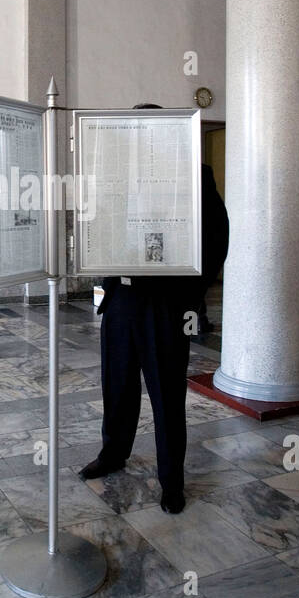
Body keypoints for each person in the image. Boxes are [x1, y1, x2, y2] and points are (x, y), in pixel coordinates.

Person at [79, 104, 198, 514]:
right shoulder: (113, 176)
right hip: (120, 299)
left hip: (164, 305)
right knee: (117, 386)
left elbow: (215, 240)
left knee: (166, 395)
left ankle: (172, 482)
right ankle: (113, 454)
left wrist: (190, 301)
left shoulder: (193, 175)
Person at [193, 163, 229, 341]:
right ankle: (198, 323)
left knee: (193, 299)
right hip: (201, 265)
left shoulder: (201, 201)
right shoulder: (213, 203)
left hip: (197, 264)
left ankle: (195, 325)